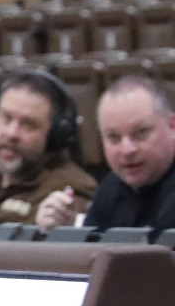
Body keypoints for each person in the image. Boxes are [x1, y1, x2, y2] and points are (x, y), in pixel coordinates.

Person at [0, 70, 94, 229]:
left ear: (55, 135)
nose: (11, 133)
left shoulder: (72, 190)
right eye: (6, 118)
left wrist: (38, 230)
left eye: (27, 124)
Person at [68, 75, 175, 235]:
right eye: (113, 137)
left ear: (172, 126)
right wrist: (60, 232)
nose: (127, 150)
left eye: (141, 133)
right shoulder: (110, 187)